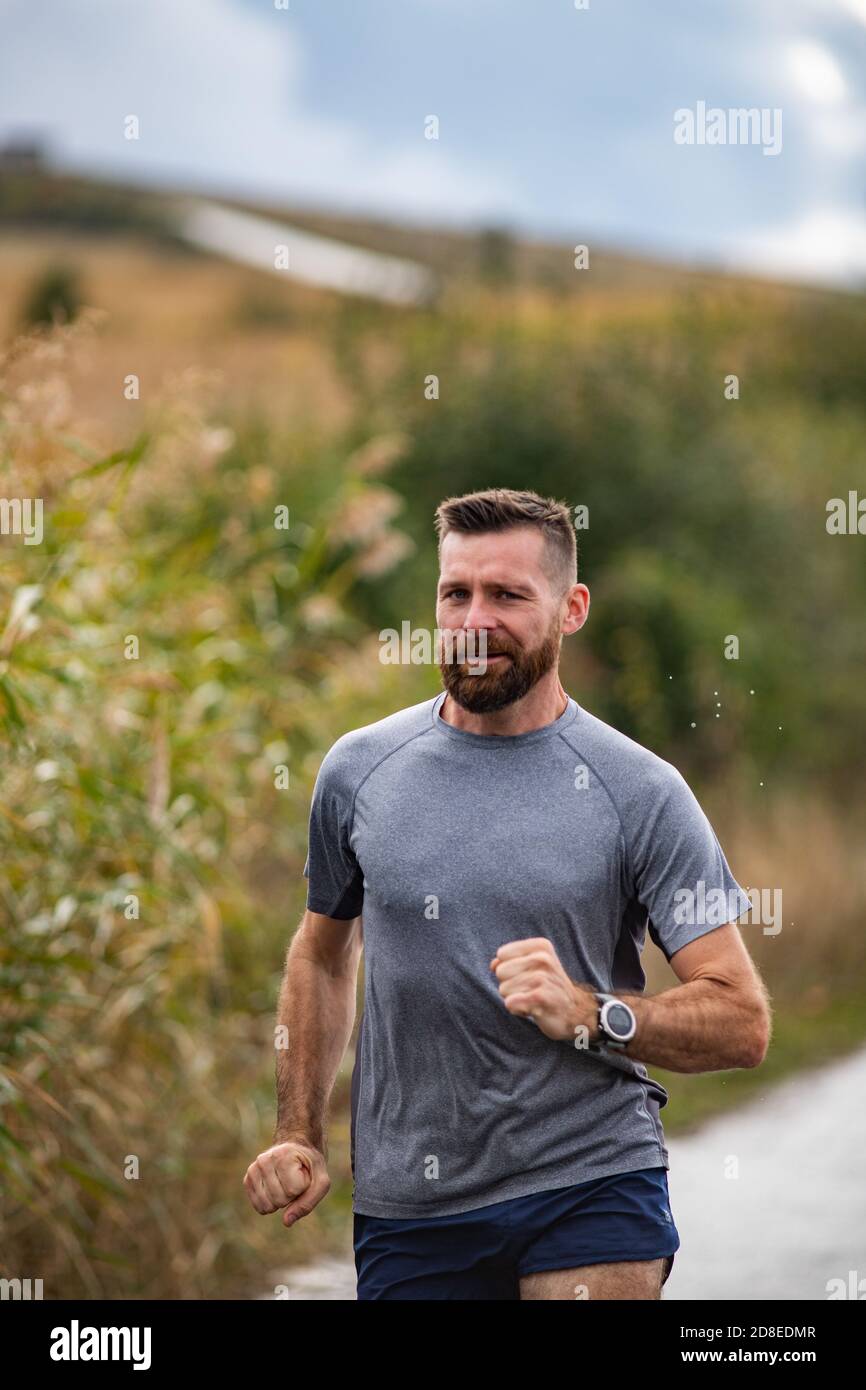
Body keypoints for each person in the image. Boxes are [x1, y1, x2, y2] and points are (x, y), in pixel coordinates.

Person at [243, 486, 772, 1300]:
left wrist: (597, 1015)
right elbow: (320, 955)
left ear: (571, 608)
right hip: (411, 1204)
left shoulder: (641, 791)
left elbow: (741, 1019)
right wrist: (299, 1134)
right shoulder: (359, 771)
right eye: (457, 593)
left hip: (590, 1179)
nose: (474, 620)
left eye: (508, 595)